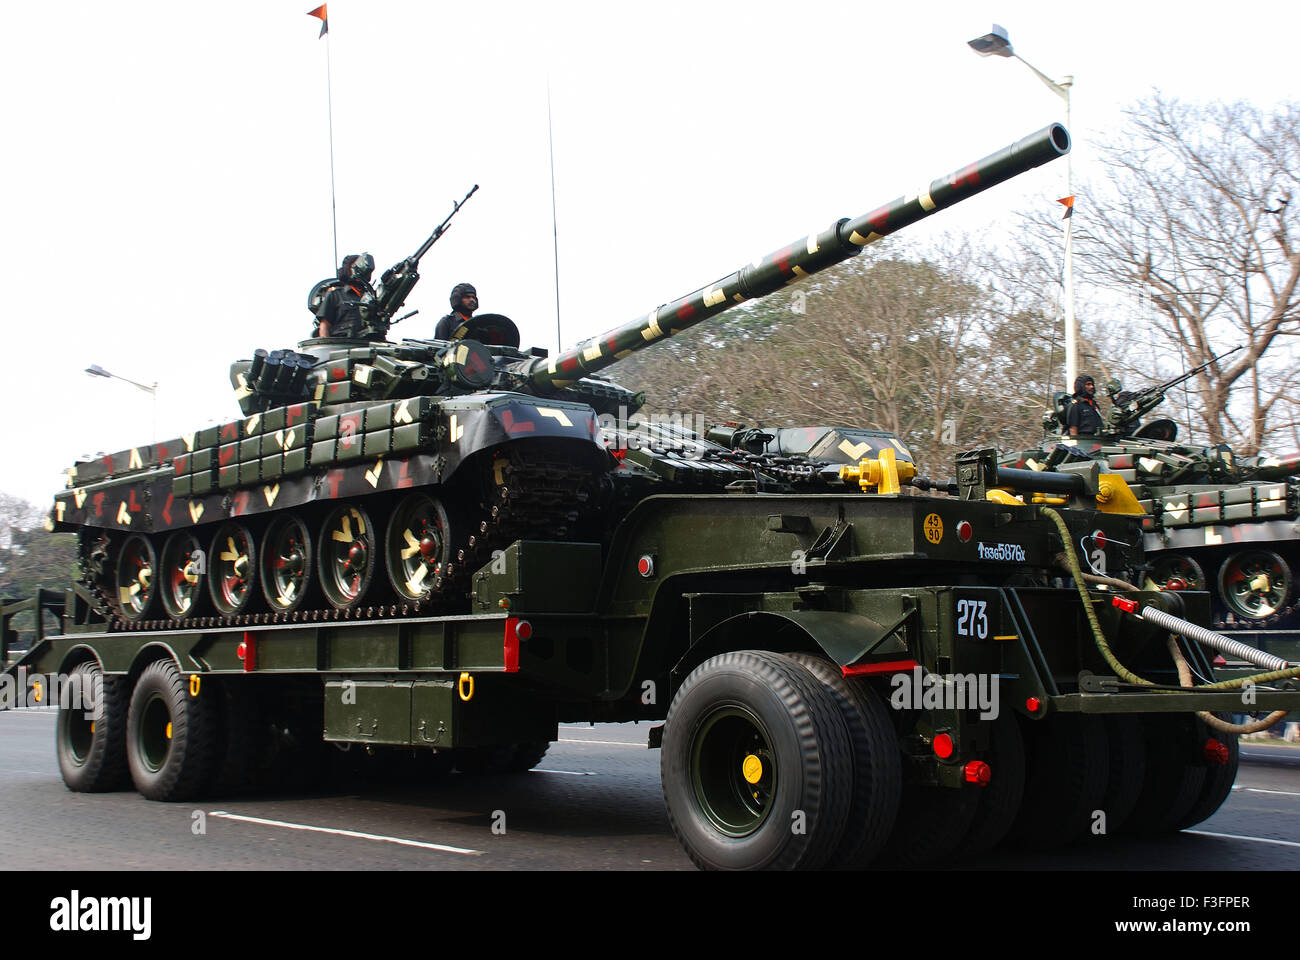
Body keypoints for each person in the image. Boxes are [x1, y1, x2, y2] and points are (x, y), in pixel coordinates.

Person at [315, 253, 377, 339]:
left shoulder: (371, 297)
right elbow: (324, 325)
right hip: (342, 346)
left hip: (367, 346)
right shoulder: (336, 294)